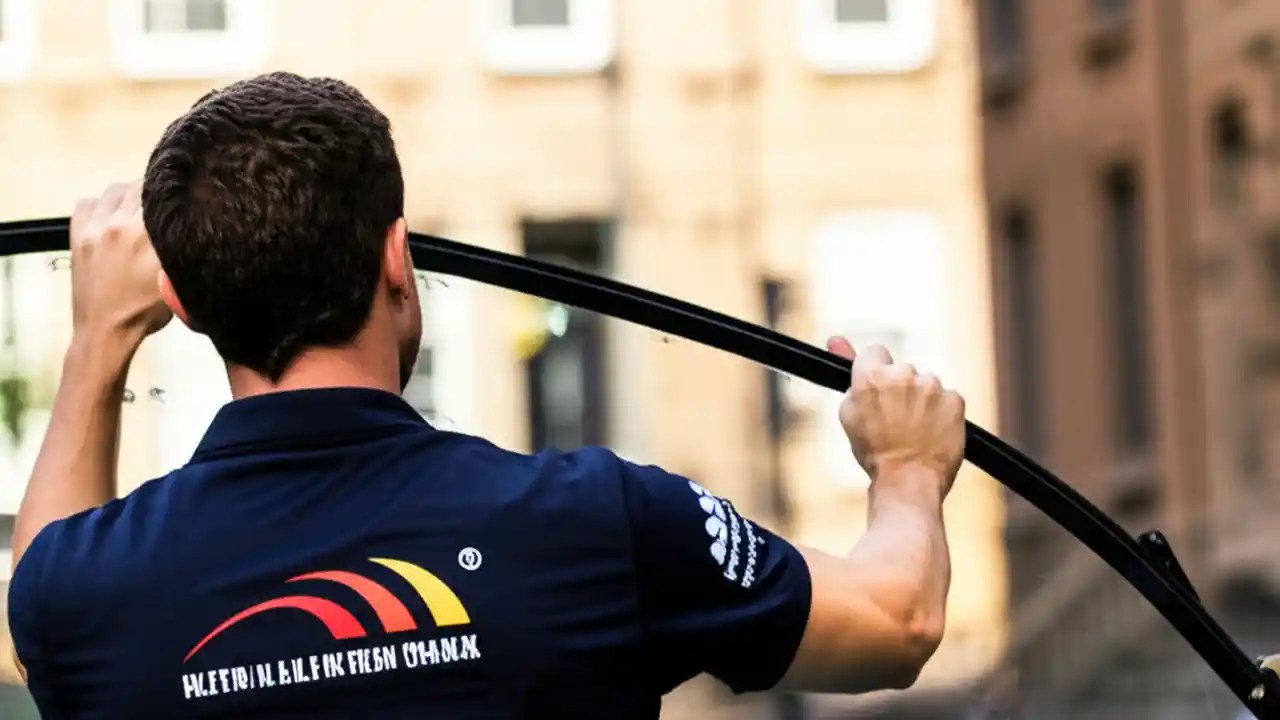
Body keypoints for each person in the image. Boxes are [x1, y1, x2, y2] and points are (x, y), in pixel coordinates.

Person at [7, 72, 965, 719]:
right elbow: (895, 620)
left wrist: (99, 339)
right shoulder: (597, 519)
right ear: (395, 257)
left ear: (180, 300)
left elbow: (39, 578)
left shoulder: (87, 596)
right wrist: (908, 468)